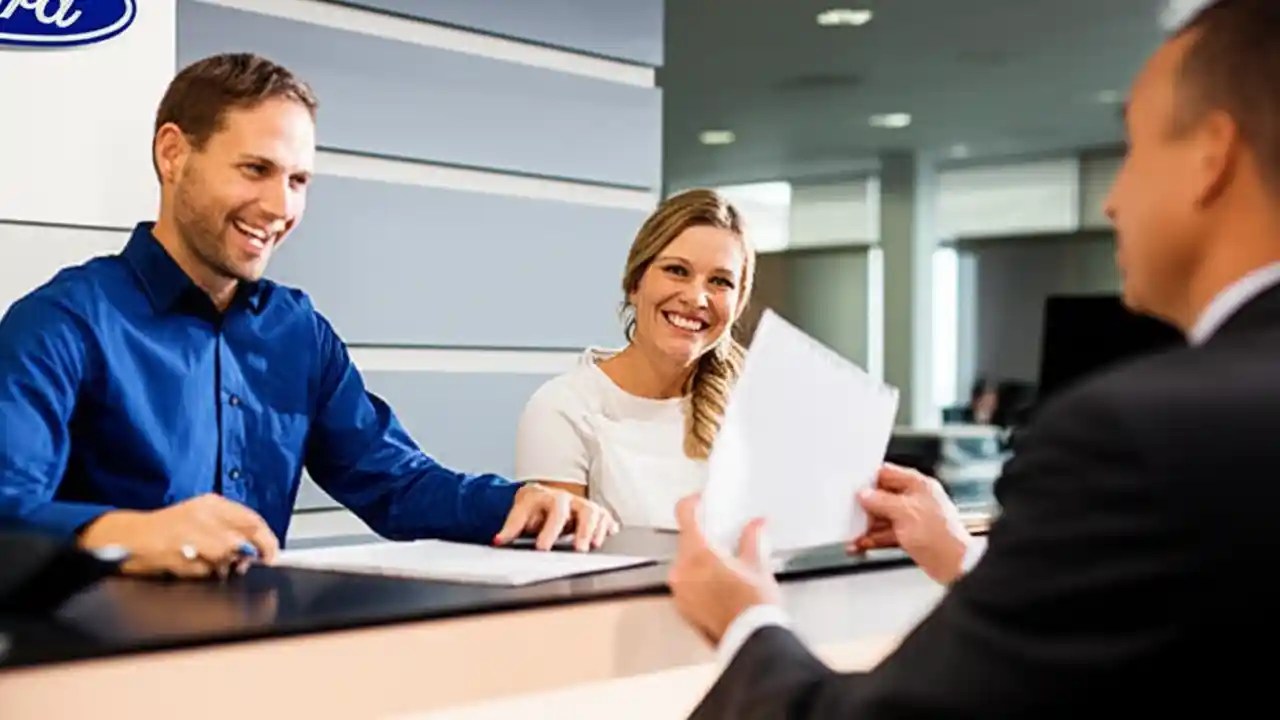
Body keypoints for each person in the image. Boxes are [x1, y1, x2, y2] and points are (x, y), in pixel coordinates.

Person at [667, 0, 1280, 715]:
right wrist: (967, 560)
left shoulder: (1134, 436)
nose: (1113, 199)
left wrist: (744, 623)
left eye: (1135, 149)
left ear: (1213, 154)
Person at [0, 53, 617, 580]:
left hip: (260, 659)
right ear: (172, 154)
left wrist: (520, 505)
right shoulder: (61, 324)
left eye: (298, 180)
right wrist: (124, 533)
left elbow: (394, 483)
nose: (279, 206)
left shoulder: (298, 333)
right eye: (256, 169)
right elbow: (6, 508)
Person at [513, 190, 755, 529]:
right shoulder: (563, 408)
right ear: (634, 283)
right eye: (677, 270)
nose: (696, 297)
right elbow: (558, 562)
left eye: (719, 281)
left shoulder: (754, 408)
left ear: (738, 304)